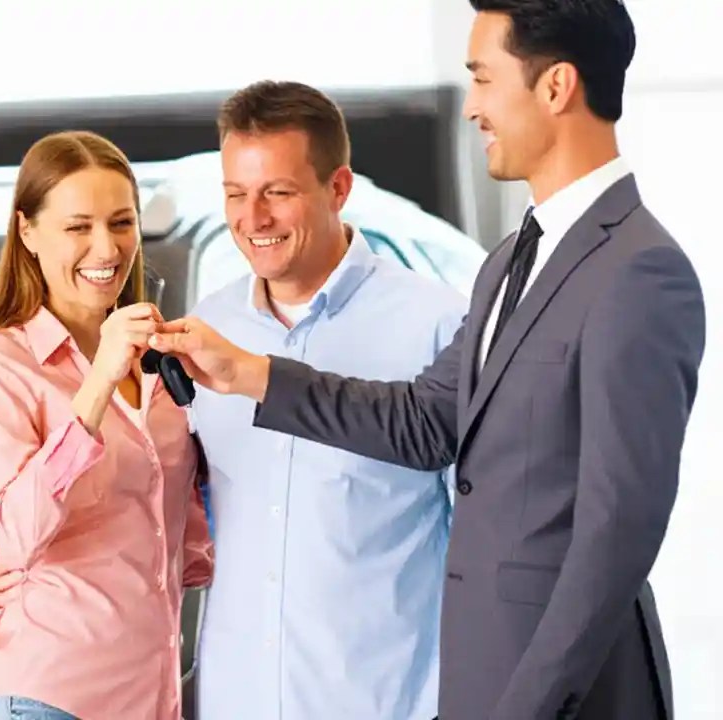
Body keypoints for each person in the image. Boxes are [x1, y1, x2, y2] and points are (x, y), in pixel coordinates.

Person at [148, 2, 706, 719]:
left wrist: (523, 706)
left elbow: (615, 538)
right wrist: (250, 373)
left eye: (483, 78)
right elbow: (424, 421)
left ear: (556, 86)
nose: (472, 107)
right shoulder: (511, 262)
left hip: (562, 699)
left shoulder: (640, 270)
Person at [0, 80, 469, 719]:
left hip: (384, 704)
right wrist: (17, 569)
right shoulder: (204, 333)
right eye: (236, 194)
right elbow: (161, 505)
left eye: (278, 193)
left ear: (339, 189)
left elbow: (486, 543)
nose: (253, 218)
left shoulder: (438, 327)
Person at [0, 129, 213, 720]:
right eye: (77, 227)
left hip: (151, 700)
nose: (106, 248)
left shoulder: (164, 367)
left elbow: (188, 546)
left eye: (121, 222)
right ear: (27, 232)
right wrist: (96, 386)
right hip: (45, 700)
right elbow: (11, 539)